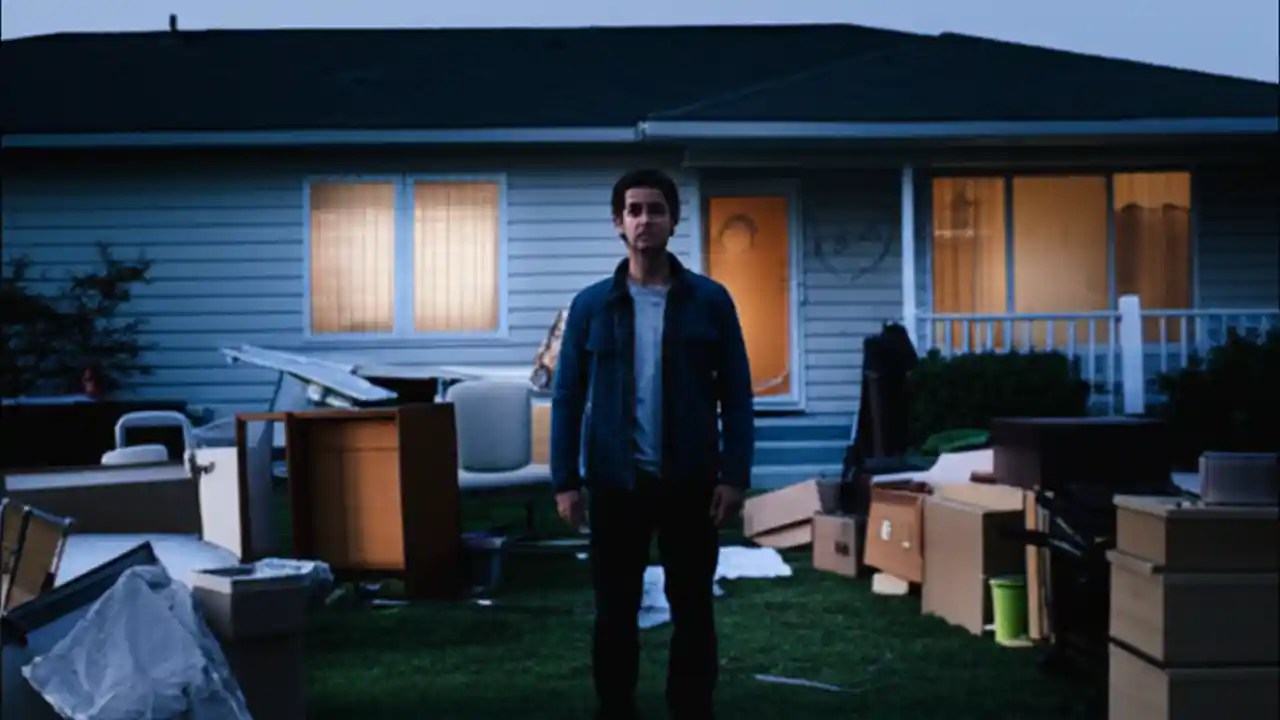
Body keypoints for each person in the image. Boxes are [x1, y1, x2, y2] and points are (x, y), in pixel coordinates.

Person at [550, 169, 755, 720]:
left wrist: (734, 476)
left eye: (656, 209)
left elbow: (737, 394)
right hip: (616, 483)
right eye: (635, 210)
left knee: (693, 608)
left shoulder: (710, 301)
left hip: (690, 481)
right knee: (614, 611)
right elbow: (567, 396)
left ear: (674, 220)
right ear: (618, 222)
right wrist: (565, 482)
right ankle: (616, 707)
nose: (645, 220)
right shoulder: (591, 306)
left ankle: (691, 707)